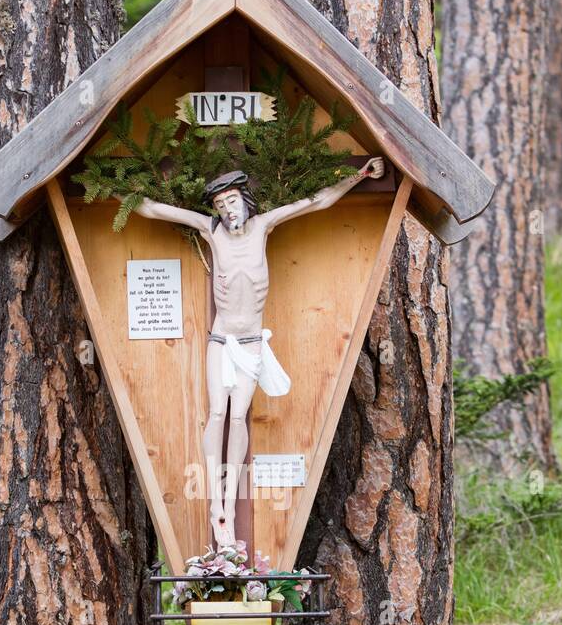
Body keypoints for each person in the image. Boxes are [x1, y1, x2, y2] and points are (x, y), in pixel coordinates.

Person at [135, 156, 385, 547]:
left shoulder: (263, 227)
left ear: (246, 201)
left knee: (238, 417)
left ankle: (229, 502)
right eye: (220, 204)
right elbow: (154, 208)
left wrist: (359, 175)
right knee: (217, 412)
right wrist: (122, 190)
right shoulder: (210, 230)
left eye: (232, 200)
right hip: (220, 340)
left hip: (250, 342)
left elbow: (315, 202)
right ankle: (214, 501)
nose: (227, 209)